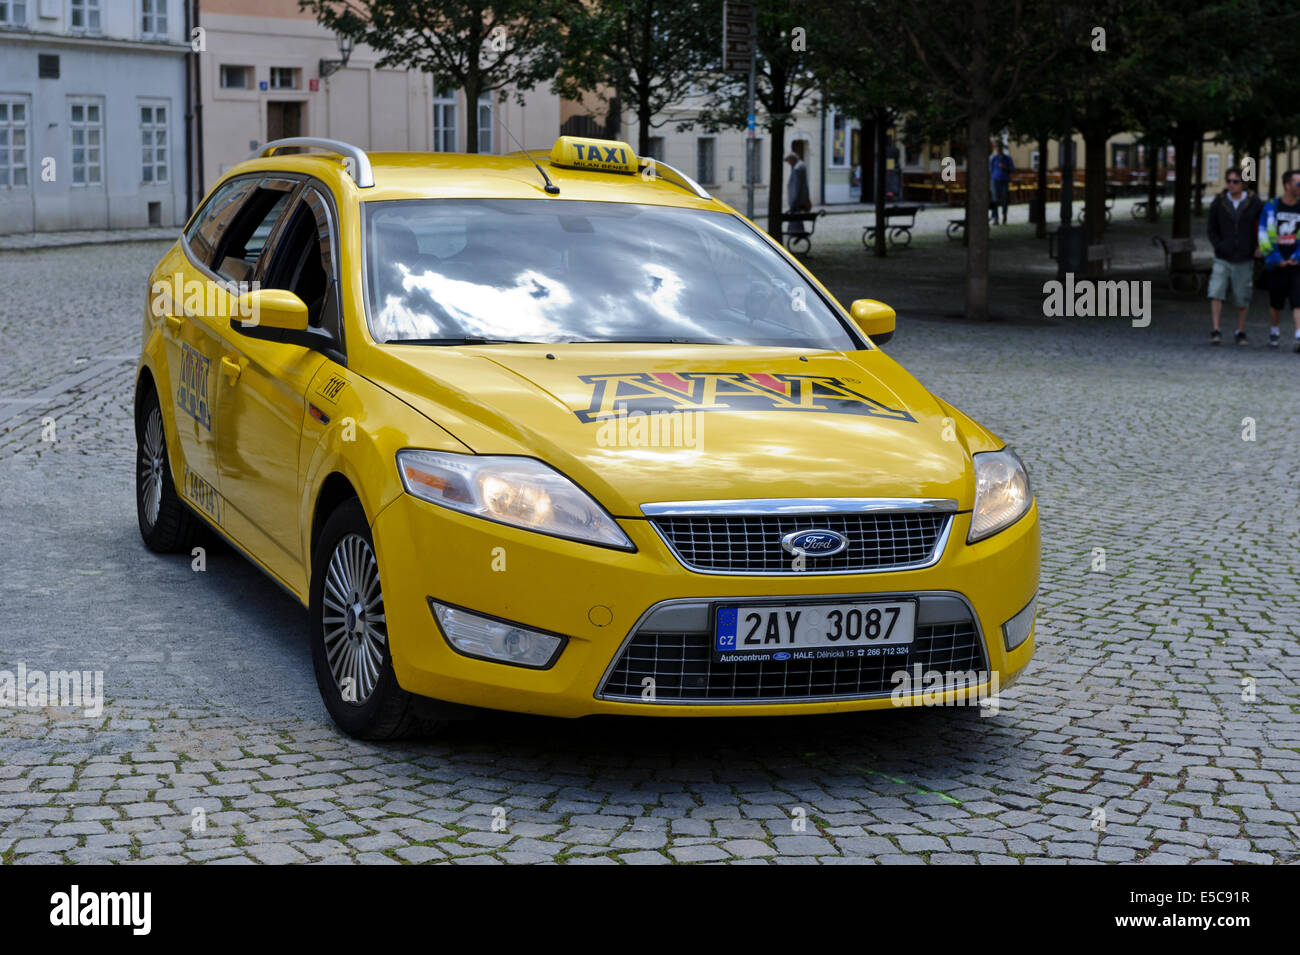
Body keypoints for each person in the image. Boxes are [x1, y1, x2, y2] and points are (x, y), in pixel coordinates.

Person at [1206, 167, 1262, 345]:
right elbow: (1211, 227)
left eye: (1235, 181)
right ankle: (1215, 329)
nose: (1231, 185)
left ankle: (1240, 330)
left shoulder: (1254, 203)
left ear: (1243, 184)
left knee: (1241, 296)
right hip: (1223, 255)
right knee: (1216, 291)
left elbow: (1261, 226)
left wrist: (1257, 246)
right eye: (1229, 181)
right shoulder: (1219, 202)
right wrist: (1219, 245)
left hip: (1244, 256)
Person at [1257, 169, 1300, 350]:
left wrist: (1297, 256)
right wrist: (1275, 258)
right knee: (1276, 302)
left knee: (1298, 299)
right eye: (1298, 184)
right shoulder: (1271, 207)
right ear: (1287, 185)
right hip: (1276, 263)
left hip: (1296, 263)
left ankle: (1299, 337)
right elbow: (1263, 235)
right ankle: (1274, 332)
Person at [785, 151, 811, 234]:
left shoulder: (797, 169)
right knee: (797, 218)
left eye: (789, 161)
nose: (789, 164)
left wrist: (793, 201)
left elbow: (796, 187)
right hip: (799, 199)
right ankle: (798, 231)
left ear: (792, 160)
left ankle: (796, 232)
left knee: (795, 217)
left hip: (796, 200)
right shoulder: (800, 167)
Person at [989, 141, 1015, 224]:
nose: (998, 148)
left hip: (1004, 181)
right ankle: (996, 218)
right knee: (995, 200)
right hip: (994, 180)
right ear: (995, 148)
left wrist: (1004, 167)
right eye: (997, 147)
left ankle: (1004, 215)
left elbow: (1012, 169)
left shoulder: (1007, 158)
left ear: (1002, 148)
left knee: (1004, 199)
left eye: (999, 147)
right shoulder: (994, 159)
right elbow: (991, 170)